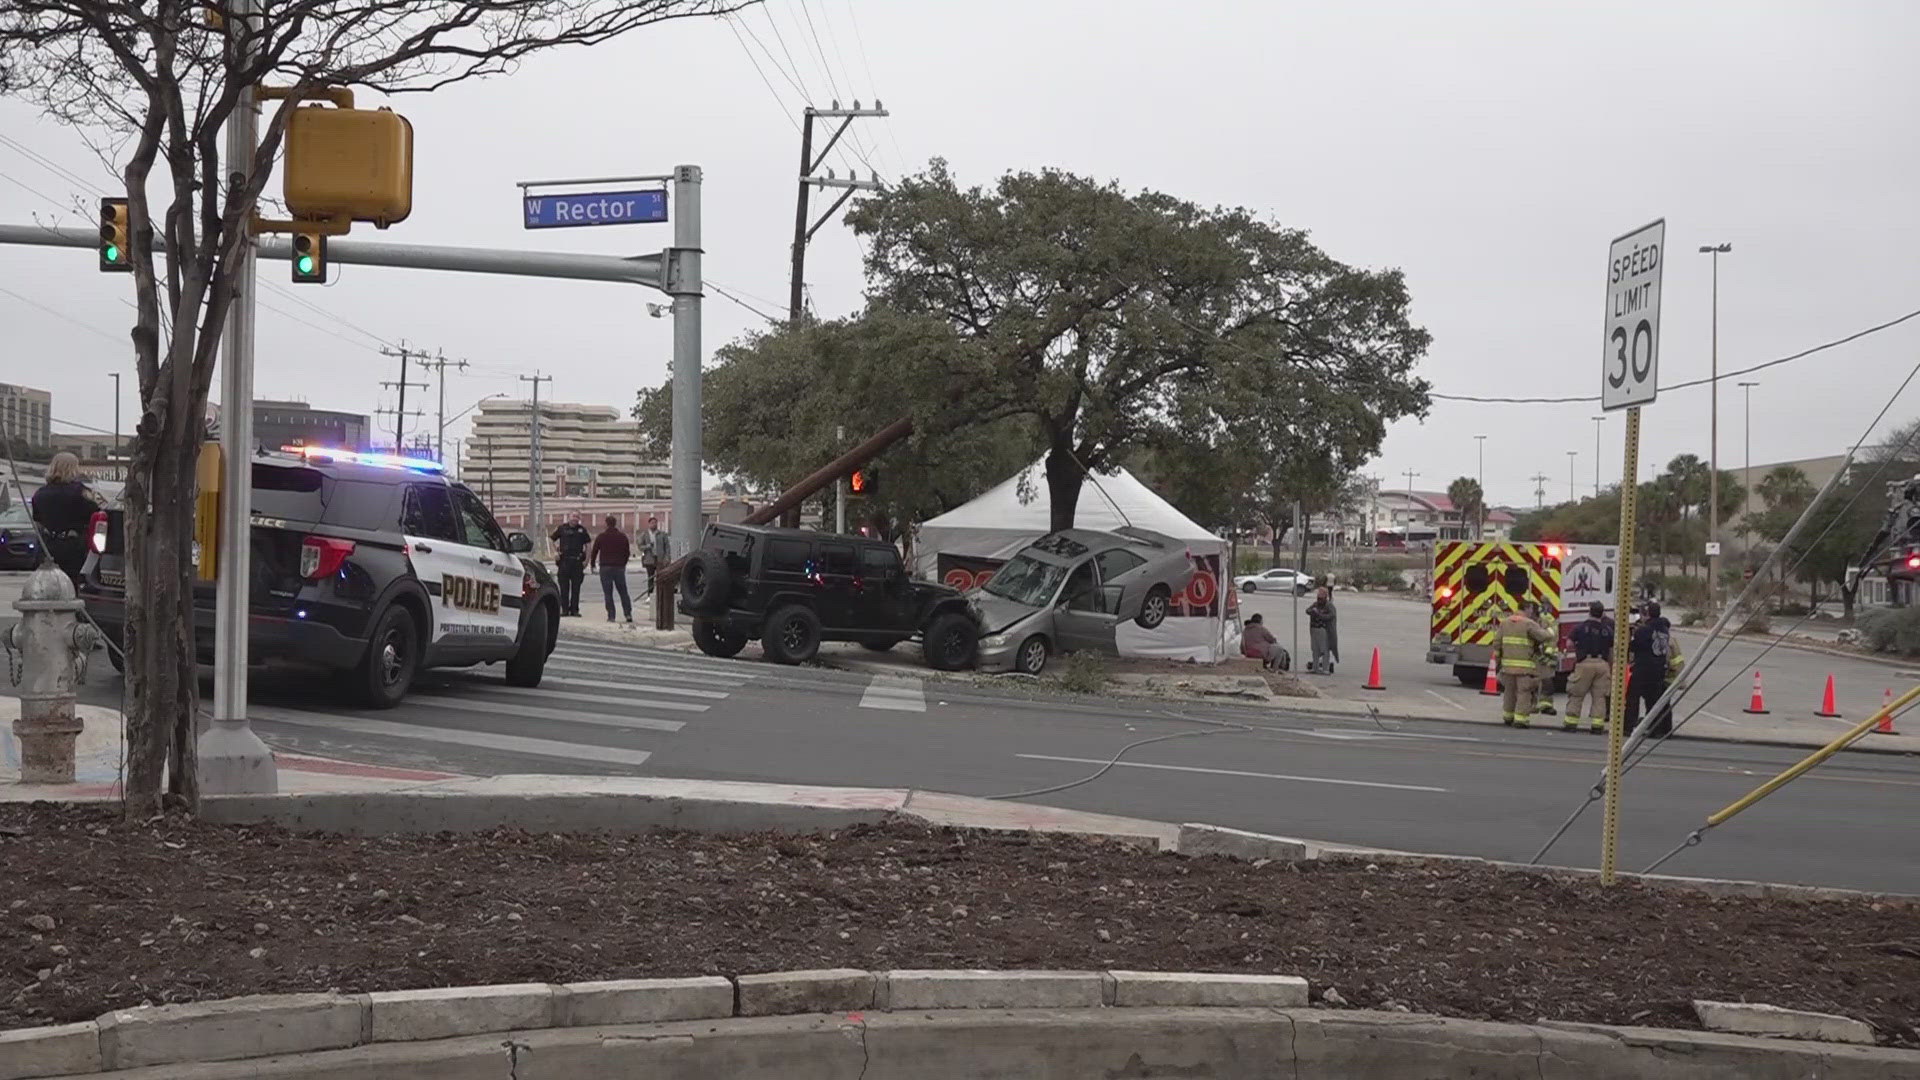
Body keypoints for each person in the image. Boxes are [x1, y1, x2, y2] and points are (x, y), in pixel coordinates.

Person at [30, 452, 99, 590]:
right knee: (71, 589)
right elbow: (95, 512)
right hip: (72, 547)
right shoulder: (80, 492)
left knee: (48, 588)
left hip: (47, 547)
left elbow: (37, 519)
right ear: (73, 468)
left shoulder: (40, 494)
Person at [1624, 601, 1684, 739]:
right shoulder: (1664, 630)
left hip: (1643, 668)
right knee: (1653, 701)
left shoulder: (1644, 630)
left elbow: (1633, 647)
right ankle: (1655, 729)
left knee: (1633, 698)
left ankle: (1628, 727)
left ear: (1647, 614)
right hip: (1658, 670)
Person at [1496, 600, 1555, 728]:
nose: (1532, 612)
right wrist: (1551, 631)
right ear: (1527, 608)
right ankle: (1520, 720)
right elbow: (1543, 636)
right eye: (1531, 609)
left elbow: (1497, 643)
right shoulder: (1528, 623)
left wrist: (1498, 662)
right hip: (1524, 667)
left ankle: (1508, 716)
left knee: (1509, 692)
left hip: (1507, 667)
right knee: (1524, 692)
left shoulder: (1505, 622)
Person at [1566, 601, 1614, 734]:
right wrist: (1609, 666)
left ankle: (1571, 723)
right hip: (1602, 664)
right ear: (1602, 613)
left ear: (1589, 611)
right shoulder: (1608, 630)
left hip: (1584, 663)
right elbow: (1611, 651)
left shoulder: (1579, 628)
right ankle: (1597, 726)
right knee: (1599, 696)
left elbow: (1569, 643)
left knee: (1576, 694)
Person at [588, 515, 633, 624]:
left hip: (605, 567)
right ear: (615, 523)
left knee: (608, 593)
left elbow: (594, 551)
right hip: (619, 567)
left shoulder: (601, 536)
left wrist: (592, 565)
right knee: (623, 592)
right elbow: (627, 552)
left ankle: (611, 616)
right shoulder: (622, 536)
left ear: (606, 523)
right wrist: (623, 563)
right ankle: (628, 614)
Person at [549, 514, 591, 617]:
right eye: (573, 517)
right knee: (564, 587)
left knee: (576, 588)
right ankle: (564, 609)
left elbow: (588, 545)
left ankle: (574, 610)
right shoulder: (562, 528)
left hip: (577, 562)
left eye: (577, 517)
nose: (575, 519)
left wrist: (587, 560)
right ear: (569, 518)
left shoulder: (582, 530)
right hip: (564, 562)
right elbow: (551, 539)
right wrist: (555, 552)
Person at [1306, 585, 1339, 674]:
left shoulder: (1329, 606)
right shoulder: (1315, 604)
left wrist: (1320, 614)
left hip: (1323, 630)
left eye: (1321, 596)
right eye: (1318, 596)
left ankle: (1325, 668)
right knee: (1315, 650)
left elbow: (1331, 616)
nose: (1319, 598)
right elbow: (1307, 610)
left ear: (1325, 596)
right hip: (1314, 630)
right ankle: (1315, 667)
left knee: (1324, 650)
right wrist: (1313, 611)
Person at [636, 516, 669, 596]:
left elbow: (667, 547)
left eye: (655, 523)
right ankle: (650, 595)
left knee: (660, 578)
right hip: (649, 559)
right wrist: (647, 546)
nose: (654, 524)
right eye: (652, 523)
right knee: (650, 578)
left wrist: (667, 557)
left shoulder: (662, 534)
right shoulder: (645, 534)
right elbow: (640, 546)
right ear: (649, 524)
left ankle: (660, 594)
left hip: (660, 559)